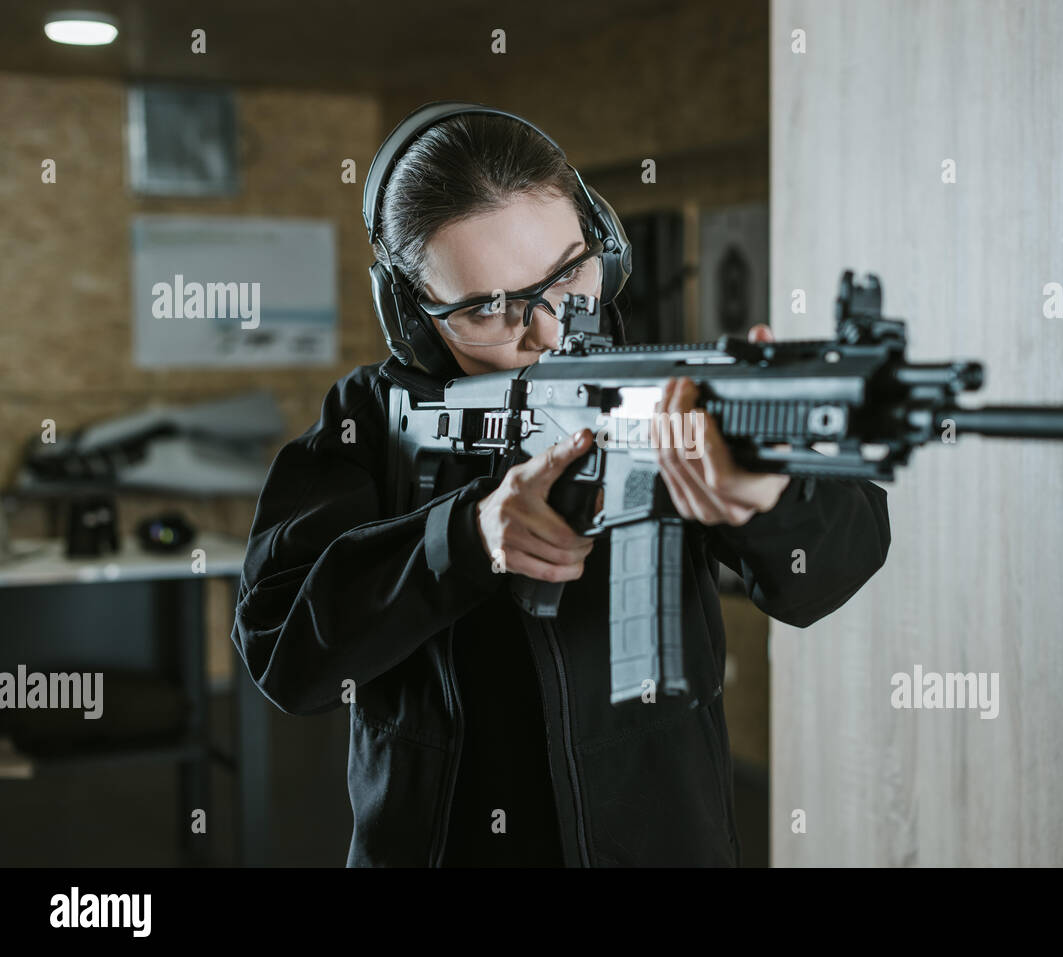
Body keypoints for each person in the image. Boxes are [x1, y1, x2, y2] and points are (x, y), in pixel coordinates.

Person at [231, 105, 891, 867]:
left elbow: (833, 571)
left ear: (603, 238)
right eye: (488, 306)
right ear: (410, 314)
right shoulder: (368, 425)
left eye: (568, 270)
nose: (546, 329)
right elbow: (285, 655)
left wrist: (775, 501)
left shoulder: (662, 391)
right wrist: (465, 537)